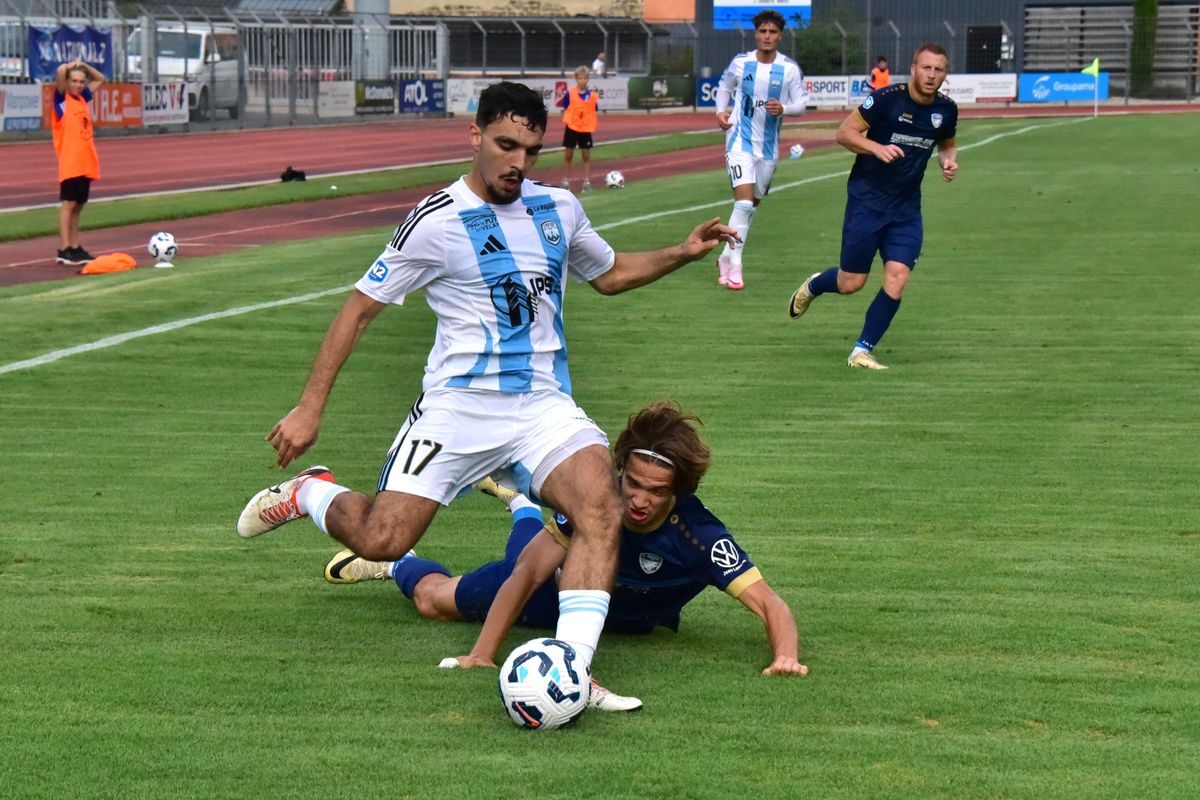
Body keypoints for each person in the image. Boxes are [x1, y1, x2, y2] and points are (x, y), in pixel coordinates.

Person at [236, 82, 736, 680]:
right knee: (382, 538)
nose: (518, 163)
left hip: (542, 406)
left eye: (531, 149)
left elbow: (609, 273)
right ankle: (310, 494)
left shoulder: (558, 208)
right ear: (474, 137)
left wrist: (682, 251)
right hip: (459, 409)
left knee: (600, 505)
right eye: (505, 145)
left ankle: (571, 669)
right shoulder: (435, 221)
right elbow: (358, 309)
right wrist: (309, 406)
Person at [323, 402, 808, 684]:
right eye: (632, 483)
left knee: (534, 538)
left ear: (678, 490)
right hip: (546, 593)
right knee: (434, 601)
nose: (638, 500)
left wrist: (785, 655)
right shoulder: (596, 509)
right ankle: (396, 564)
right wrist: (482, 654)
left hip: (611, 608)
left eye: (656, 491)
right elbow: (527, 575)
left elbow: (771, 604)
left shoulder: (697, 536)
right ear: (620, 470)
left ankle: (519, 503)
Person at [788, 44, 958, 370]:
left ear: (944, 74)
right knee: (852, 283)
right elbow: (844, 133)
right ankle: (814, 285)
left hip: (906, 210)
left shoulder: (947, 109)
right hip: (867, 203)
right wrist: (876, 148)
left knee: (897, 277)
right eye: (926, 68)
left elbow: (947, 145)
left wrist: (948, 163)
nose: (931, 75)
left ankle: (861, 351)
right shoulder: (885, 99)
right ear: (913, 68)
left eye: (938, 70)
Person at [713, 9, 808, 291]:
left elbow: (801, 105)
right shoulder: (740, 63)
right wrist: (720, 112)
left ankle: (724, 257)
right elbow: (723, 88)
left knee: (750, 208)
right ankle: (737, 267)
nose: (767, 36)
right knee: (742, 204)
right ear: (756, 34)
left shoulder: (789, 69)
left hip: (768, 149)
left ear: (780, 36)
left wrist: (785, 109)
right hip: (739, 141)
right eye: (763, 31)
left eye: (773, 32)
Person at [52, 59, 105, 266]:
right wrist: (68, 66)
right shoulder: (62, 101)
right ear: (67, 82)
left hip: (86, 162)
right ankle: (64, 249)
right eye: (74, 81)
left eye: (81, 81)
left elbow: (100, 78)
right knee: (69, 204)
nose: (78, 85)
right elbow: (59, 71)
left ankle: (75, 247)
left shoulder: (82, 99)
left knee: (79, 206)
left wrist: (83, 64)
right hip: (71, 162)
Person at [557, 66, 599, 193]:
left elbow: (593, 110)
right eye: (580, 78)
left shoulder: (592, 96)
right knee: (568, 154)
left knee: (586, 155)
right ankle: (565, 181)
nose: (583, 81)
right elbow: (565, 108)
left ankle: (586, 182)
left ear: (588, 79)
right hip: (572, 127)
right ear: (576, 79)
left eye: (585, 78)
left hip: (585, 129)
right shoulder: (570, 93)